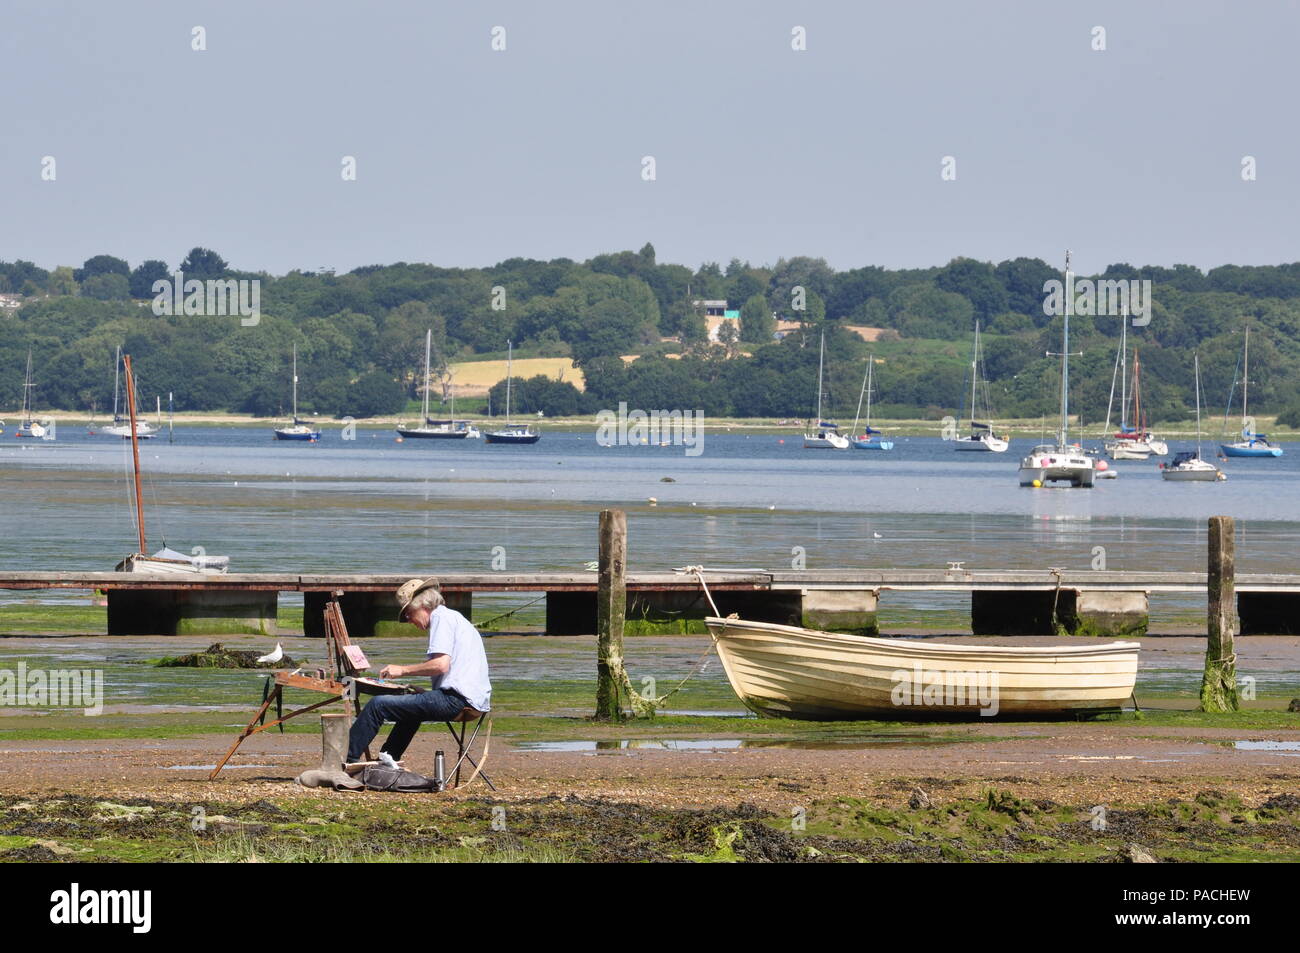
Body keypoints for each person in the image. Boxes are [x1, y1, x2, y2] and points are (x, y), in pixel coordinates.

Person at [346, 577, 492, 763]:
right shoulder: (452, 617)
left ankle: (343, 761)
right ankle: (388, 760)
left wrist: (402, 670)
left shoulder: (441, 617)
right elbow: (454, 673)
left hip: (458, 700)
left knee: (377, 705)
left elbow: (441, 665)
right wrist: (428, 694)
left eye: (408, 613)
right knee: (410, 708)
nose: (409, 620)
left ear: (422, 605)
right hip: (470, 700)